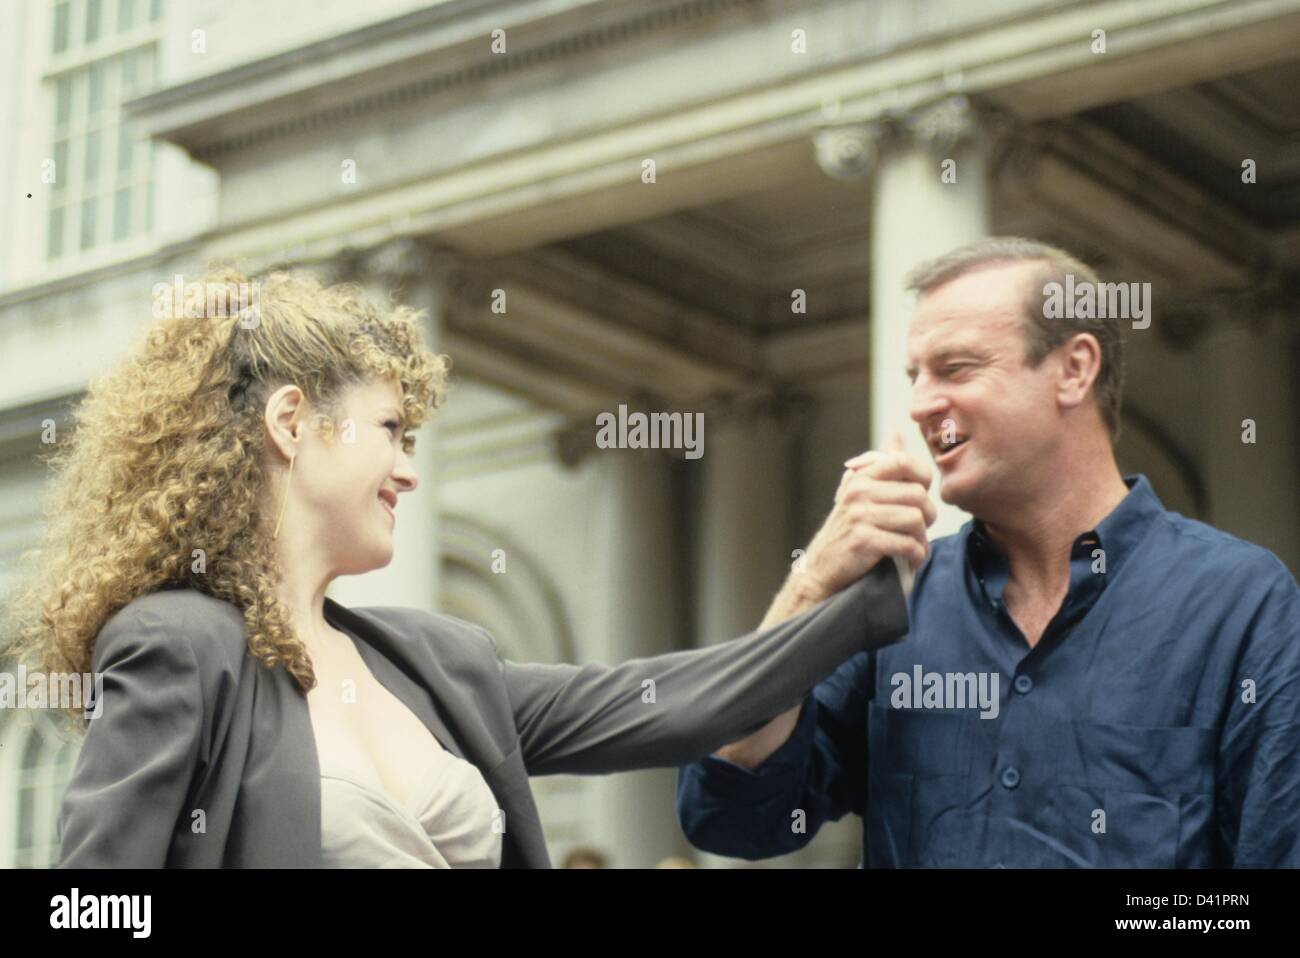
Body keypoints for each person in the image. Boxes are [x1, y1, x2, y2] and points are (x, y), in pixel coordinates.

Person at [2, 265, 917, 868]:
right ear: (292, 423)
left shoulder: (437, 662)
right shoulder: (180, 643)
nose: (409, 469)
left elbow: (672, 701)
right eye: (392, 432)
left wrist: (839, 588)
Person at [676, 236, 1300, 868]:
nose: (920, 404)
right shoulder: (894, 607)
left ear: (1074, 369)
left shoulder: (1240, 603)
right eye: (915, 376)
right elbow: (728, 813)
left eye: (956, 368)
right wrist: (809, 590)